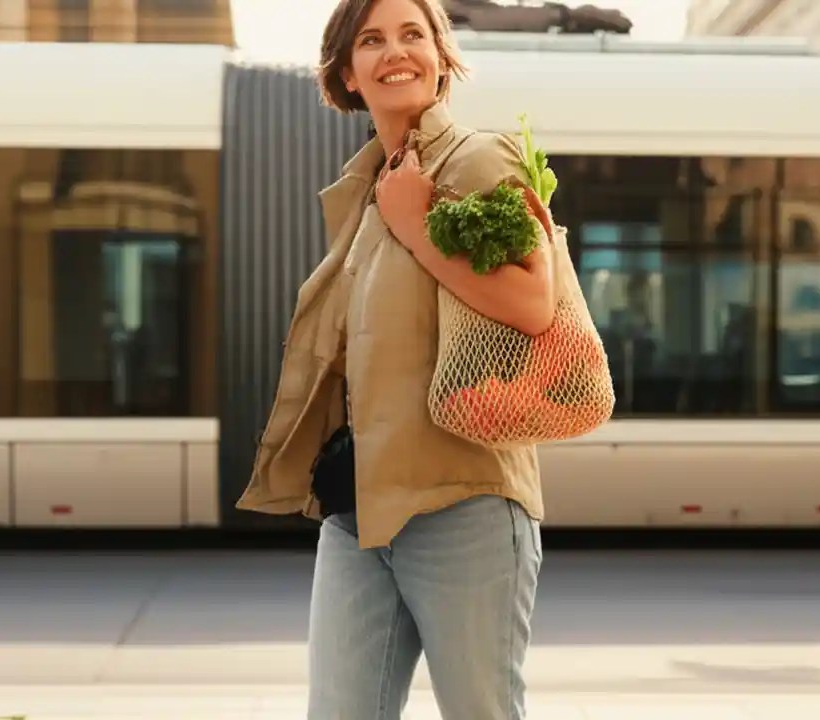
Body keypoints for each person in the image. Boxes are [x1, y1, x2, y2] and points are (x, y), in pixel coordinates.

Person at [234, 0, 556, 718]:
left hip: (461, 500)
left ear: (442, 57)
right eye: (371, 40)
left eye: (413, 34)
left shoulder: (478, 159)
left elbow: (535, 302)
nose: (394, 51)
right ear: (346, 71)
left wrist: (417, 226)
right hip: (358, 509)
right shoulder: (368, 185)